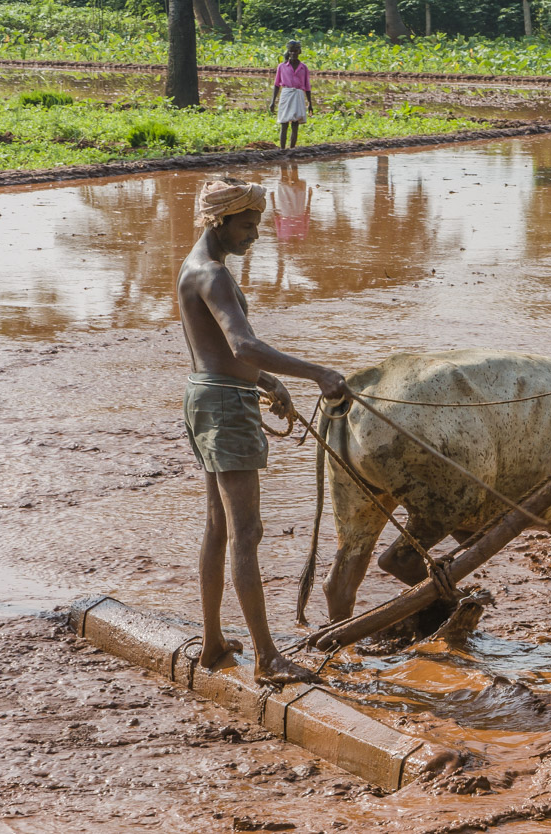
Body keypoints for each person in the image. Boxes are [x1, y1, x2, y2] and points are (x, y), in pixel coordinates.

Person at [177, 176, 351, 686]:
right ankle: (267, 658)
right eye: (248, 224)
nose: (255, 234)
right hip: (226, 408)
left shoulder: (194, 266)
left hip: (206, 394)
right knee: (247, 532)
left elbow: (221, 353)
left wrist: (268, 381)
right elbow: (243, 346)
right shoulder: (214, 275)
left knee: (218, 527)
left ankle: (212, 643)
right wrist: (318, 373)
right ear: (220, 220)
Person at [269, 40, 313, 150]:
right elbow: (276, 85)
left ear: (299, 52)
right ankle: (282, 149)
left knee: (295, 124)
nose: (293, 53)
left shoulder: (304, 67)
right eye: (291, 51)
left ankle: (292, 149)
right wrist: (272, 102)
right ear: (288, 52)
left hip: (298, 94)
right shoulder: (282, 66)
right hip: (286, 94)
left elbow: (307, 86)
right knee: (284, 123)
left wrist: (310, 103)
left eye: (295, 51)